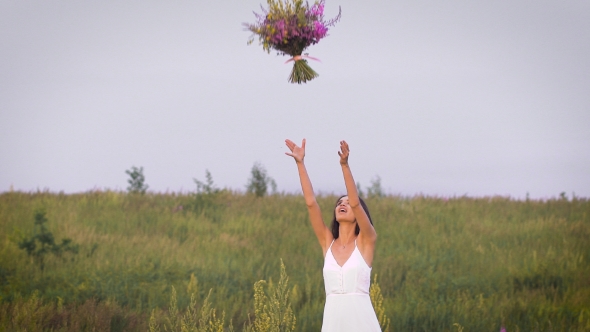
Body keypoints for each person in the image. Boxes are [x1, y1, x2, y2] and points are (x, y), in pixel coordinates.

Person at [285, 139, 381, 331]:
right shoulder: (327, 243)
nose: (342, 204)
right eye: (339, 203)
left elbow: (355, 202)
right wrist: (300, 164)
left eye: (347, 202)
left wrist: (344, 166)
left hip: (362, 323)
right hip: (333, 323)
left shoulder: (366, 241)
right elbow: (311, 203)